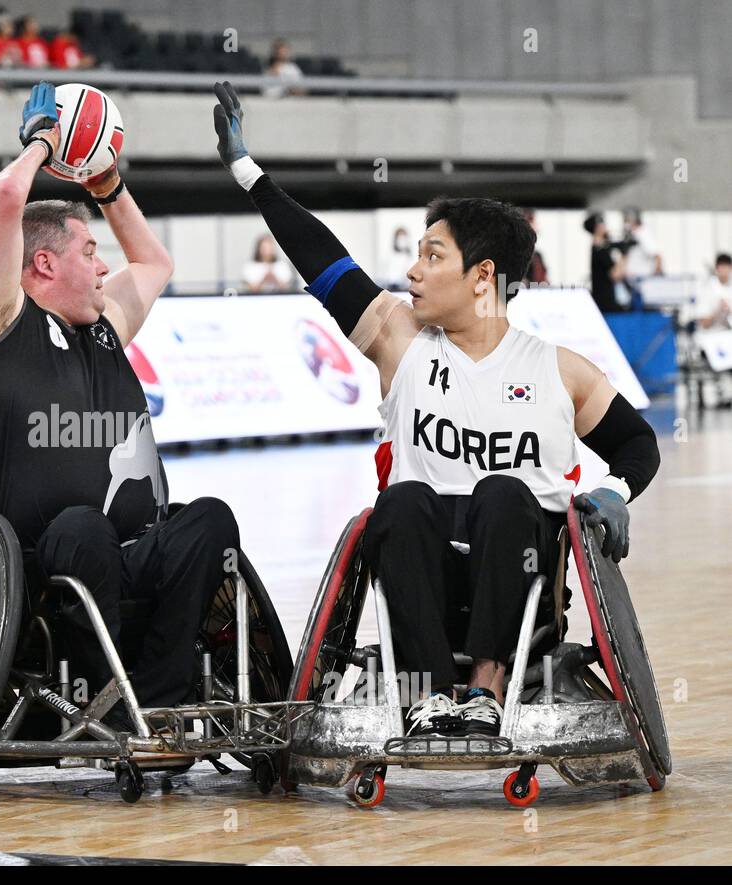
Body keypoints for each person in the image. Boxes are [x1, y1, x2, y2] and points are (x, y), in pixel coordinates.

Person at [211, 81, 660, 737]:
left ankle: (486, 689)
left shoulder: (559, 370)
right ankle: (426, 693)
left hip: (522, 584)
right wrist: (248, 173)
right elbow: (320, 256)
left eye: (432, 256)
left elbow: (637, 443)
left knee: (504, 492)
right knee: (400, 501)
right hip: (424, 571)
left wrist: (615, 489)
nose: (412, 271)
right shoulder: (398, 338)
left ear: (482, 277)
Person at [0, 81, 237, 726]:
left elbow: (155, 262)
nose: (106, 267)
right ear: (43, 264)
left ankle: (161, 699)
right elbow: (4, 197)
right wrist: (45, 142)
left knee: (210, 518)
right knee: (82, 526)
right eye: (90, 250)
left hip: (134, 552)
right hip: (34, 563)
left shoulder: (103, 325)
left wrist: (108, 185)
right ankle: (102, 699)